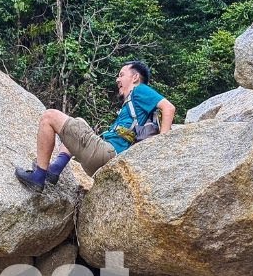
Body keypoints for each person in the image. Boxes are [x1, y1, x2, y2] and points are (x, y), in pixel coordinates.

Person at [15, 60, 175, 191]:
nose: (117, 80)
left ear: (134, 77)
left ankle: (38, 177)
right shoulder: (133, 104)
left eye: (121, 75)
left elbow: (168, 108)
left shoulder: (140, 90)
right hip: (107, 160)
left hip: (108, 154)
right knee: (80, 122)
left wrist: (160, 145)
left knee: (49, 116)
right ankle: (54, 170)